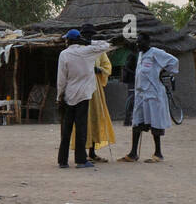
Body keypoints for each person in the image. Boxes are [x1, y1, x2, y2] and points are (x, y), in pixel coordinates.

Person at [119, 32, 178, 163]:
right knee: (137, 122)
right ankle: (133, 153)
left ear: (147, 42)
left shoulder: (156, 53)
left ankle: (158, 154)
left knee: (155, 123)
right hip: (140, 94)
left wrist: (162, 72)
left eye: (140, 42)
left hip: (153, 94)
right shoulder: (140, 54)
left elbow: (174, 62)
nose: (138, 44)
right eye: (137, 42)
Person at [57, 28, 112, 167]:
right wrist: (88, 42)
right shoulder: (88, 52)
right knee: (81, 128)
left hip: (69, 95)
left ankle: (62, 161)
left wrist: (59, 96)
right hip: (84, 96)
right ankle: (81, 160)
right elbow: (105, 45)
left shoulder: (64, 54)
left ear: (69, 40)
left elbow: (61, 79)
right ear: (80, 39)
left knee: (66, 129)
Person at [71, 23, 116, 161]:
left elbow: (107, 66)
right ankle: (81, 153)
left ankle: (92, 152)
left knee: (95, 118)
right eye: (85, 35)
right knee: (82, 120)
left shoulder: (98, 50)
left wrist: (100, 70)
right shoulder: (77, 50)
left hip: (95, 90)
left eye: (90, 35)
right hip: (81, 87)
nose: (87, 37)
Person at [120, 50, 137, 126]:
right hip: (132, 81)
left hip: (132, 81)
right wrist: (135, 73)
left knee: (131, 100)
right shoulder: (132, 56)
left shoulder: (133, 55)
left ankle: (128, 120)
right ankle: (127, 120)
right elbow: (125, 67)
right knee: (131, 101)